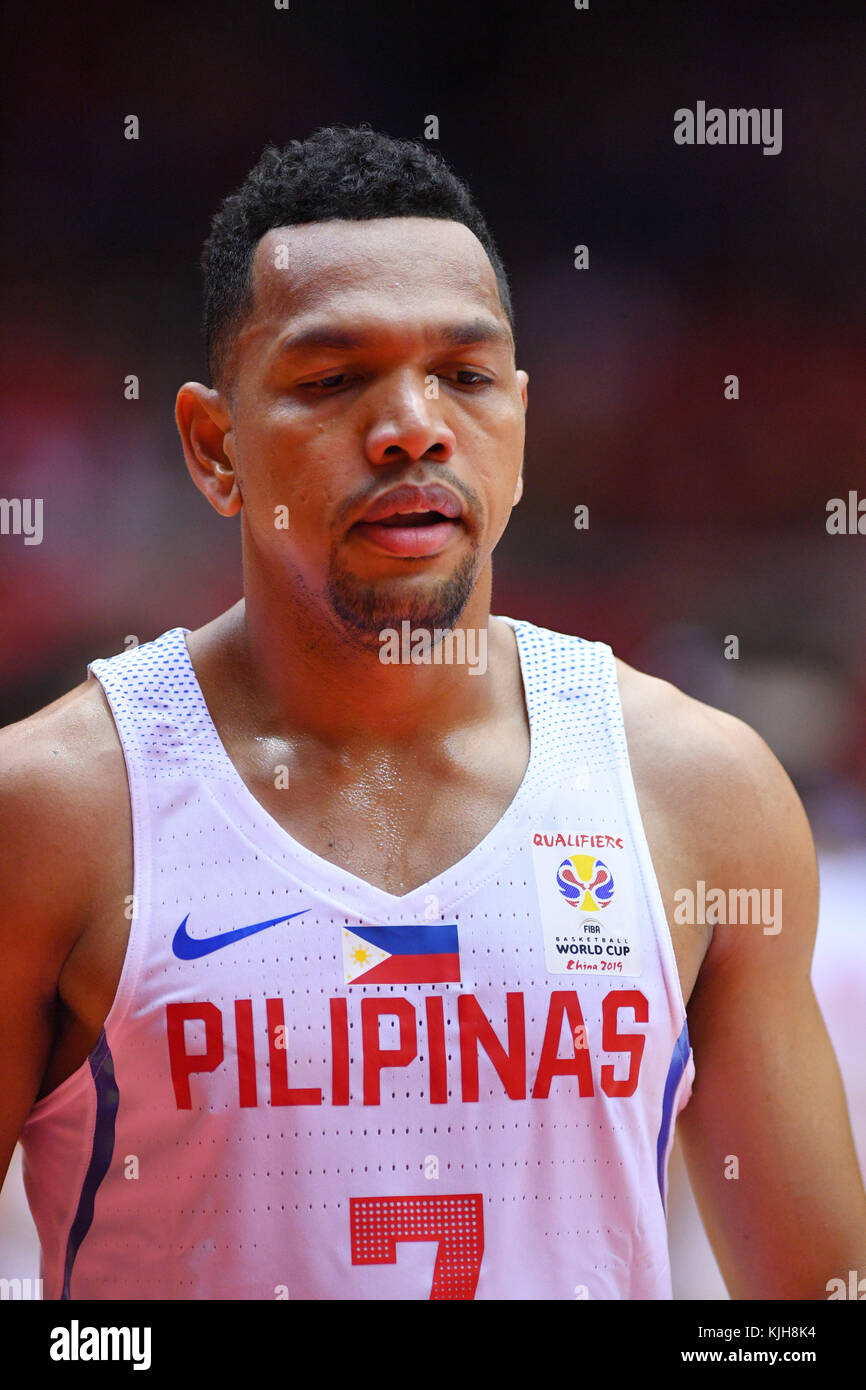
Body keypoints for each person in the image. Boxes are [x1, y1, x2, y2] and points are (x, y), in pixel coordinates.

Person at [1, 125, 864, 1300]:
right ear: (214, 449)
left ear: (515, 424)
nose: (411, 426)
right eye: (330, 379)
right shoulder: (53, 807)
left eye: (461, 375)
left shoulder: (699, 790)